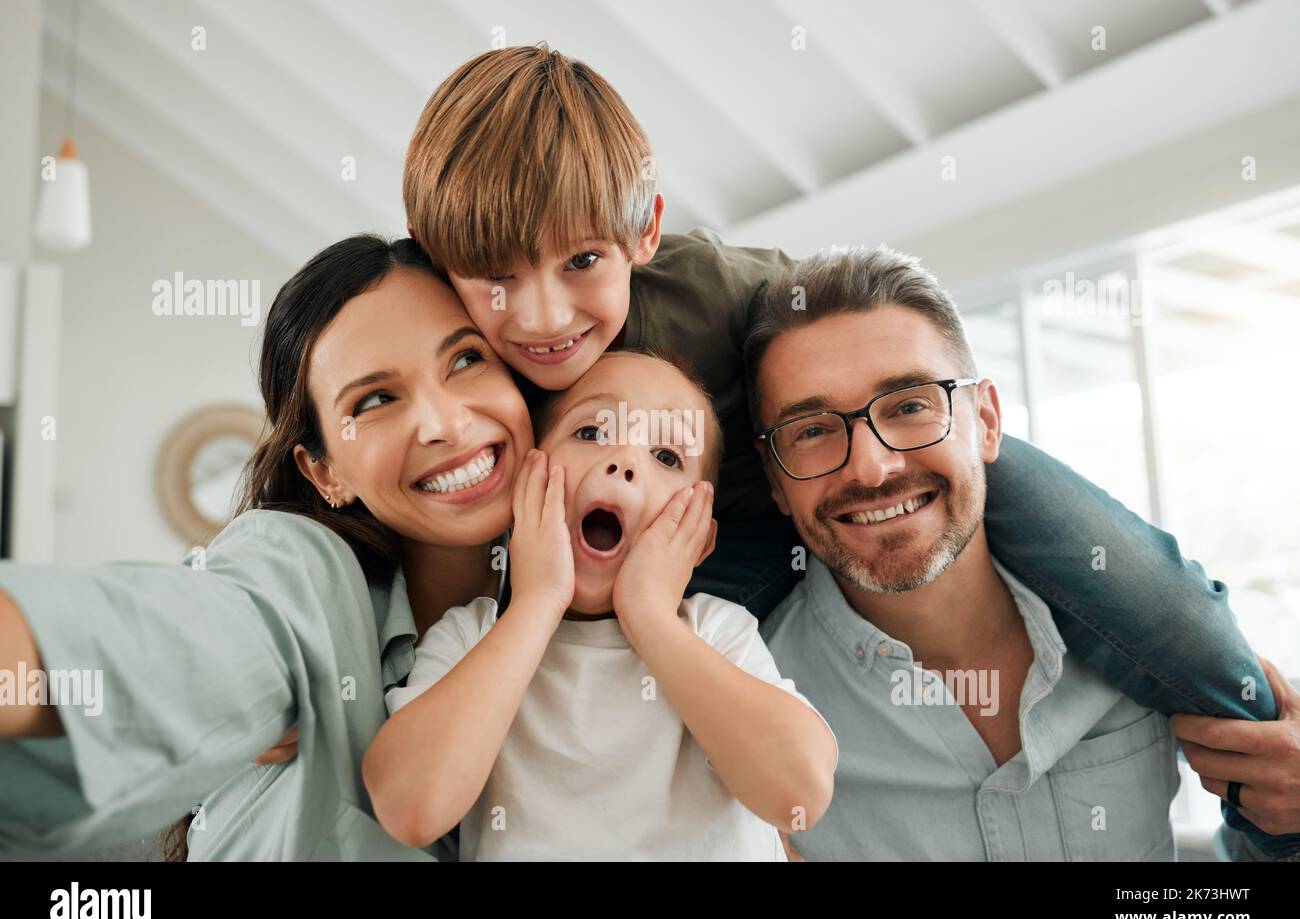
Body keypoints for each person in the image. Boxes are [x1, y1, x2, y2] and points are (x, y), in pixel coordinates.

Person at [400, 43, 1293, 854]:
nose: (546, 318)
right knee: (606, 651)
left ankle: (1266, 736)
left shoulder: (730, 296)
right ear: (444, 265)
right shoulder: (468, 371)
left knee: (1139, 591)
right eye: (497, 279)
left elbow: (864, 353)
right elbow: (396, 511)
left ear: (643, 233)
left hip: (779, 479)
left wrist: (890, 418)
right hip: (711, 525)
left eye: (581, 264)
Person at [746, 246, 1297, 860]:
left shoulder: (1148, 642)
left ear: (985, 420)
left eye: (908, 406)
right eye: (813, 430)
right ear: (773, 478)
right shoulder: (746, 706)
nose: (872, 469)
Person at [0, 235, 533, 859]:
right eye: (377, 400)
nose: (445, 423)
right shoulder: (301, 581)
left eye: (466, 360)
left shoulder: (616, 605)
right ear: (324, 473)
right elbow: (163, 645)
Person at [364, 350, 837, 859]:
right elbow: (411, 807)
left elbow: (799, 795)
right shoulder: (471, 636)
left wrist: (650, 617)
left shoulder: (715, 632)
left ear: (698, 539)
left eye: (667, 457)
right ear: (525, 481)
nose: (624, 464)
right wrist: (537, 602)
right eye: (591, 433)